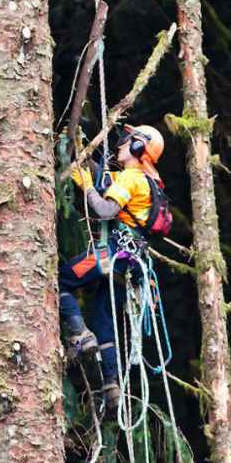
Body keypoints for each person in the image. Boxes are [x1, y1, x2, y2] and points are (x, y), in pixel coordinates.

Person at [59, 124, 165, 410]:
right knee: (105, 321)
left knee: (61, 280)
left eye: (125, 141)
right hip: (128, 268)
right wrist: (80, 150)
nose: (120, 145)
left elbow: (105, 209)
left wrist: (88, 188)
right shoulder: (149, 180)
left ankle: (79, 334)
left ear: (137, 148)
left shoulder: (132, 177)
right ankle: (112, 387)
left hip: (113, 254)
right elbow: (105, 178)